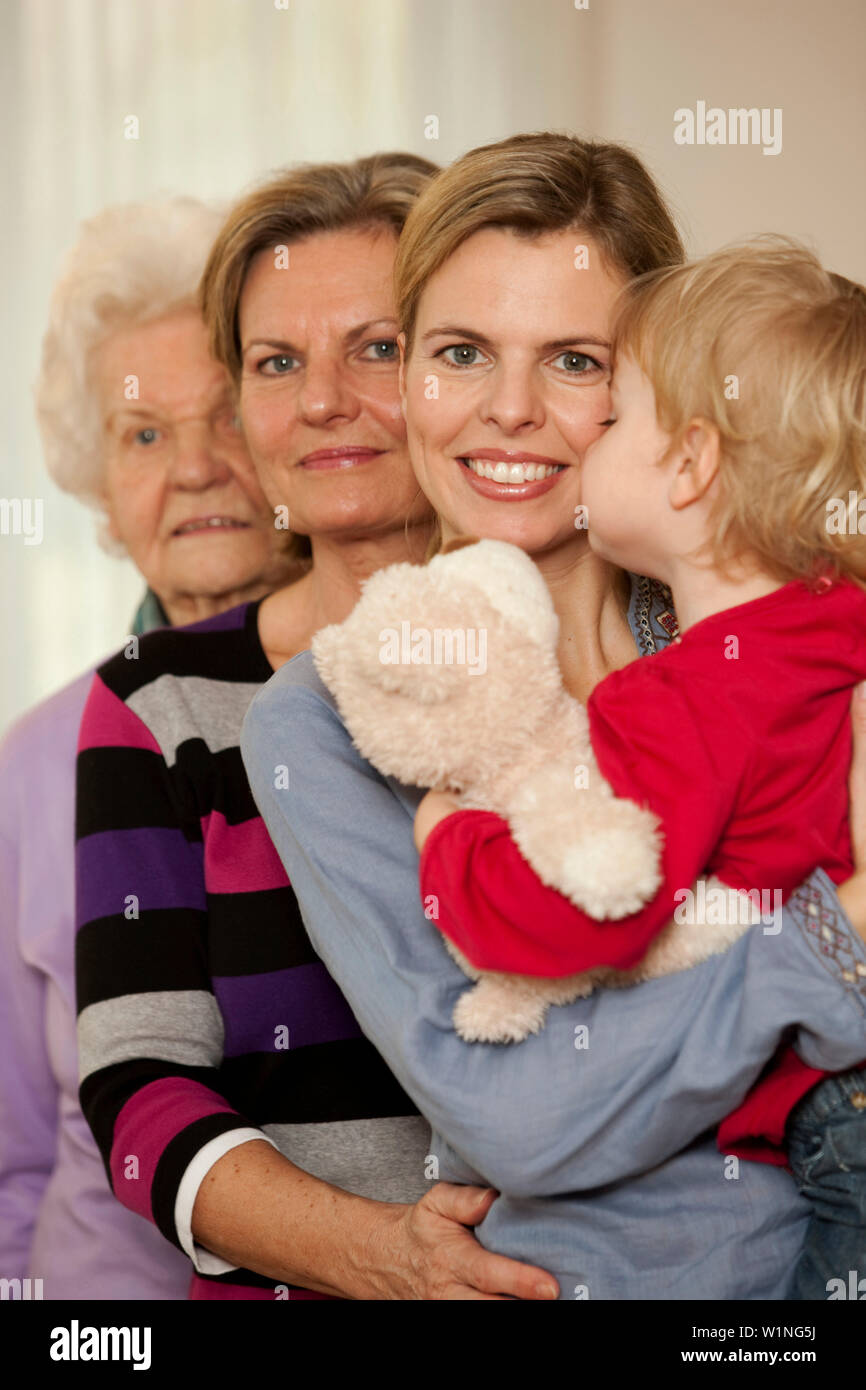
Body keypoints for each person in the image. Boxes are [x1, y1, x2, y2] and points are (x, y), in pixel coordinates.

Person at [242, 133, 866, 1299]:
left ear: (675, 407)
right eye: (461, 352)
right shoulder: (330, 720)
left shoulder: (763, 633)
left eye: (577, 363)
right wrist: (828, 948)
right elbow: (520, 1116)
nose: (511, 410)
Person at [74, 153, 559, 1301]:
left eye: (377, 349)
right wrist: (382, 1256)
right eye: (276, 361)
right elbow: (138, 1091)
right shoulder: (160, 698)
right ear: (244, 405)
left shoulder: (585, 643)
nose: (323, 400)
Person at [411, 237, 866, 1299]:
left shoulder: (686, 696)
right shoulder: (834, 631)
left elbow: (586, 905)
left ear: (691, 461)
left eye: (610, 412)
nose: (568, 428)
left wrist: (452, 841)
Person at [0, 197, 297, 1299]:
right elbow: (15, 1158)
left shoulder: (388, 703)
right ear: (99, 481)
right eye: (143, 433)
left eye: (228, 416)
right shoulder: (31, 762)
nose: (197, 468)